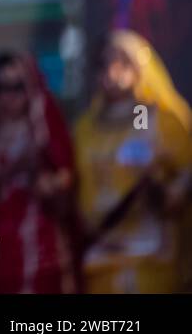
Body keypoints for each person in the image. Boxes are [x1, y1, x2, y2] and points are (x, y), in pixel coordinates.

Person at [74, 30, 192, 293]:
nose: (112, 71)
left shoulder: (165, 122)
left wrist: (163, 192)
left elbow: (184, 181)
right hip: (100, 260)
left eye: (122, 62)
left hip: (152, 260)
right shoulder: (84, 130)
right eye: (104, 63)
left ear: (141, 68)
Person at [0, 51, 79, 293]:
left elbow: (65, 191)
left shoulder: (47, 133)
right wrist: (11, 170)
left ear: (30, 88)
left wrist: (44, 179)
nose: (8, 96)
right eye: (0, 88)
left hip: (41, 258)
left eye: (16, 87)